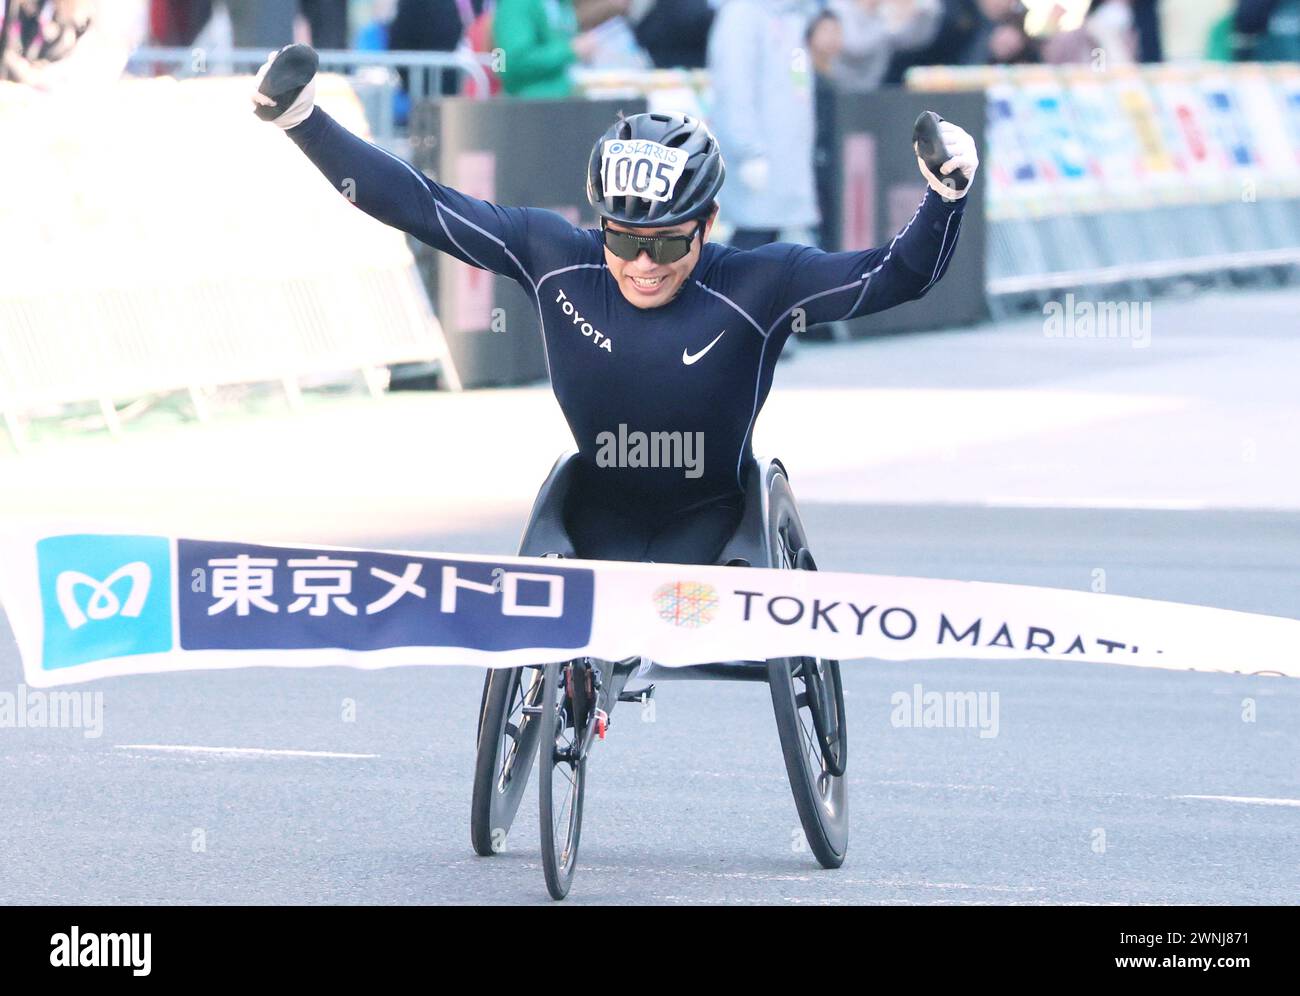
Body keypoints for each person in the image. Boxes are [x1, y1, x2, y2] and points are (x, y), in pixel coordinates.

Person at [250, 44, 978, 565]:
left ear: (708, 223)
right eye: (621, 240)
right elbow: (421, 205)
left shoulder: (763, 284)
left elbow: (895, 278)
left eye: (664, 246)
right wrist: (302, 120)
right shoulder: (552, 257)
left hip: (715, 530)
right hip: (590, 516)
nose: (639, 266)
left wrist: (945, 197)